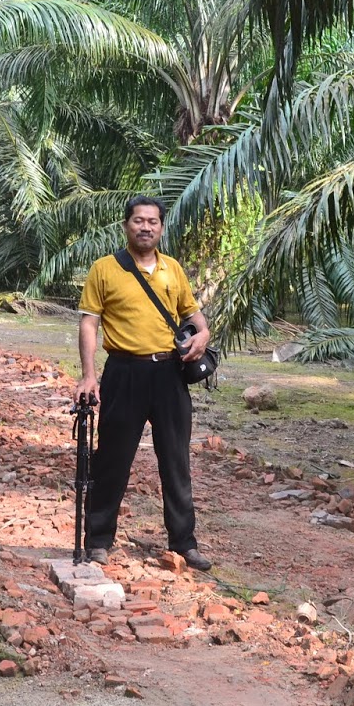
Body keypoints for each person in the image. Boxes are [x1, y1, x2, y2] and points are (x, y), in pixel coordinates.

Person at [75, 196, 213, 571]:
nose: (146, 227)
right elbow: (89, 323)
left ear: (162, 228)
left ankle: (184, 543)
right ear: (126, 226)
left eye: (153, 221)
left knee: (176, 460)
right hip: (124, 372)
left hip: (169, 375)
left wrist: (202, 336)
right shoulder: (105, 269)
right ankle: (99, 540)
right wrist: (89, 375)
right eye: (138, 221)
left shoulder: (173, 270)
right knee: (112, 460)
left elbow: (196, 318)